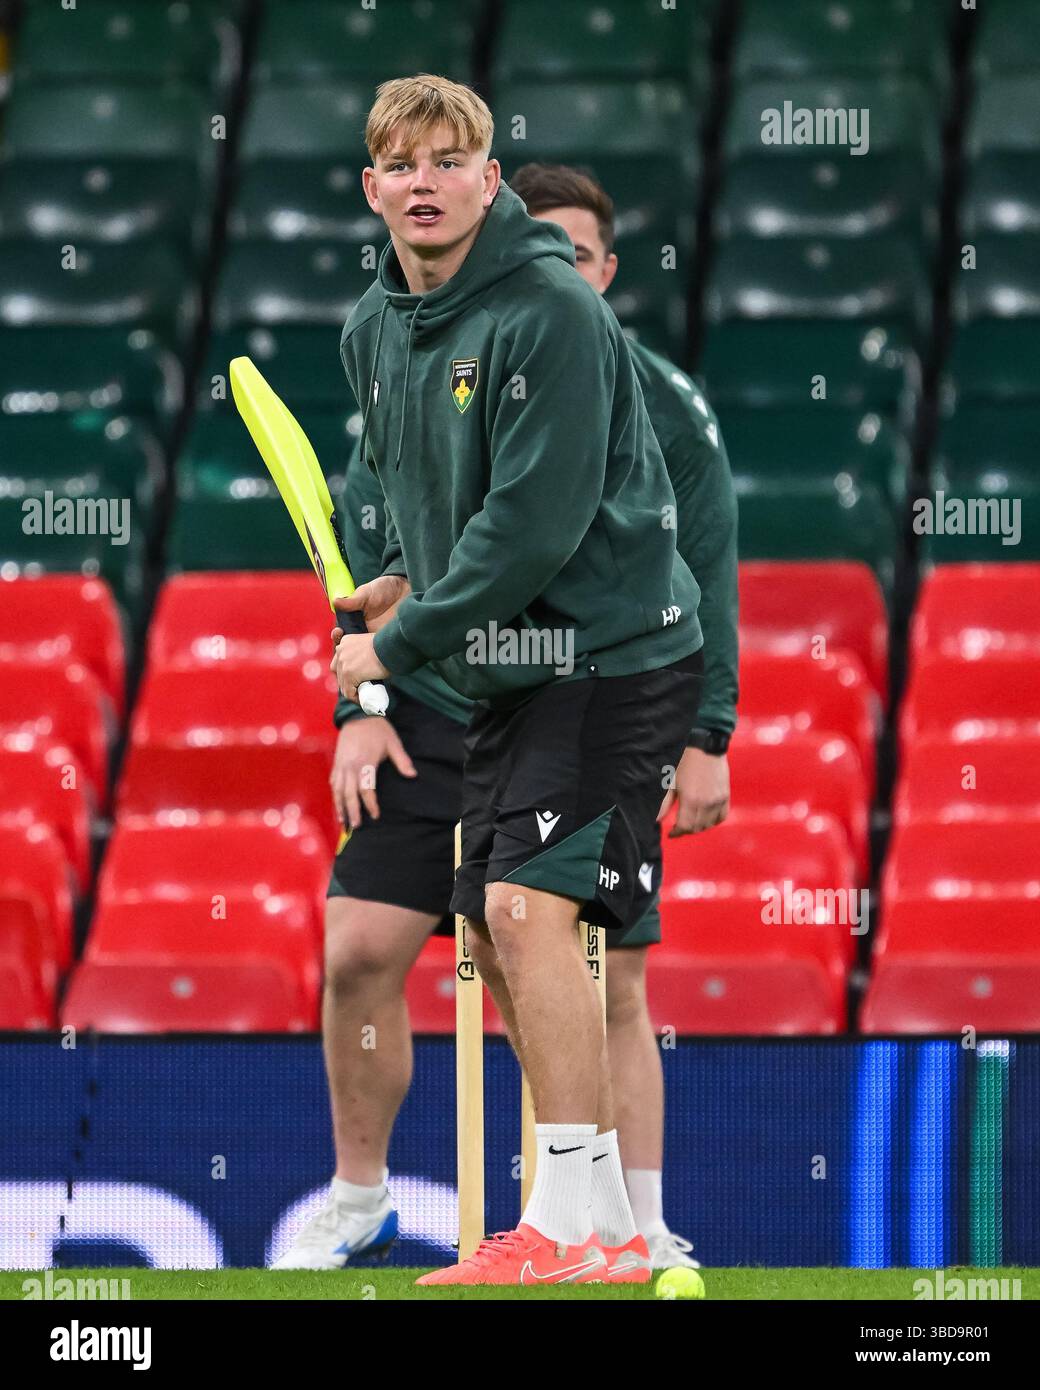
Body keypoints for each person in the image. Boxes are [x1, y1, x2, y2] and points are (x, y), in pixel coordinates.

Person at [293, 72, 707, 1287]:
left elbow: (531, 526)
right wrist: (394, 584)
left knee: (530, 913)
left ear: (489, 180)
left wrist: (395, 646)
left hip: (614, 650)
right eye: (400, 166)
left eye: (448, 161)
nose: (423, 184)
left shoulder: (549, 314)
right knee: (493, 916)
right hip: (505, 665)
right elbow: (438, 506)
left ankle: (581, 1226)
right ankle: (590, 1225)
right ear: (372, 189)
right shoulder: (371, 329)